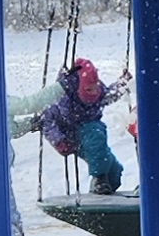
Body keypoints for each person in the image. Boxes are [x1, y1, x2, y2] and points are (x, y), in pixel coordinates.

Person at [34, 55, 125, 194]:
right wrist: (58, 141)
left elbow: (107, 96)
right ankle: (100, 179)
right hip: (73, 135)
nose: (95, 92)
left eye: (96, 87)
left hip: (93, 137)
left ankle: (102, 190)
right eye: (89, 89)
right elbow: (47, 120)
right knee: (95, 133)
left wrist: (122, 84)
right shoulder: (62, 98)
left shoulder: (97, 90)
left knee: (114, 171)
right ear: (77, 87)